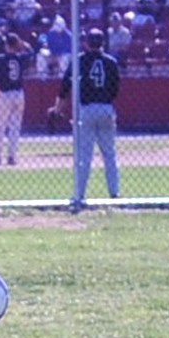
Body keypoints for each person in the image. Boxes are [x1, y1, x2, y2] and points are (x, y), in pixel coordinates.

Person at [49, 28, 121, 212]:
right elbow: (115, 89)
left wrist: (58, 108)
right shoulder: (111, 62)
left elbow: (65, 86)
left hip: (87, 108)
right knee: (109, 153)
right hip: (106, 106)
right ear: (102, 43)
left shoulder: (80, 60)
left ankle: (79, 194)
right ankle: (114, 193)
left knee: (84, 155)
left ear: (87, 43)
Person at [0, 33, 32, 167]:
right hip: (19, 94)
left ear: (6, 45)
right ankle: (12, 156)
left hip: (5, 94)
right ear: (17, 45)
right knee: (15, 127)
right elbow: (31, 52)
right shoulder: (21, 58)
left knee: (0, 126)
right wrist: (22, 43)